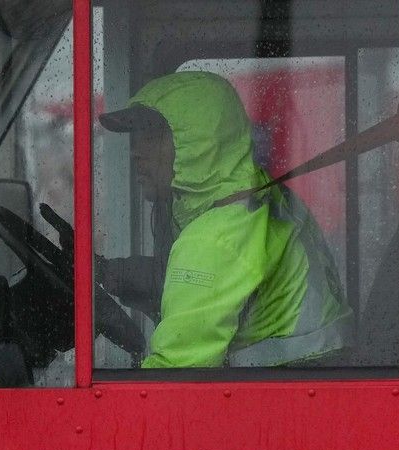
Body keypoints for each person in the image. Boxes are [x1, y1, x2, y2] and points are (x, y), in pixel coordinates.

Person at [98, 71, 353, 368]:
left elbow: (171, 378)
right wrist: (111, 274)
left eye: (153, 137)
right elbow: (217, 286)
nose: (135, 152)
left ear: (199, 144)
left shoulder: (213, 239)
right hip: (319, 376)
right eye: (136, 137)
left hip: (282, 391)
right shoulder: (258, 196)